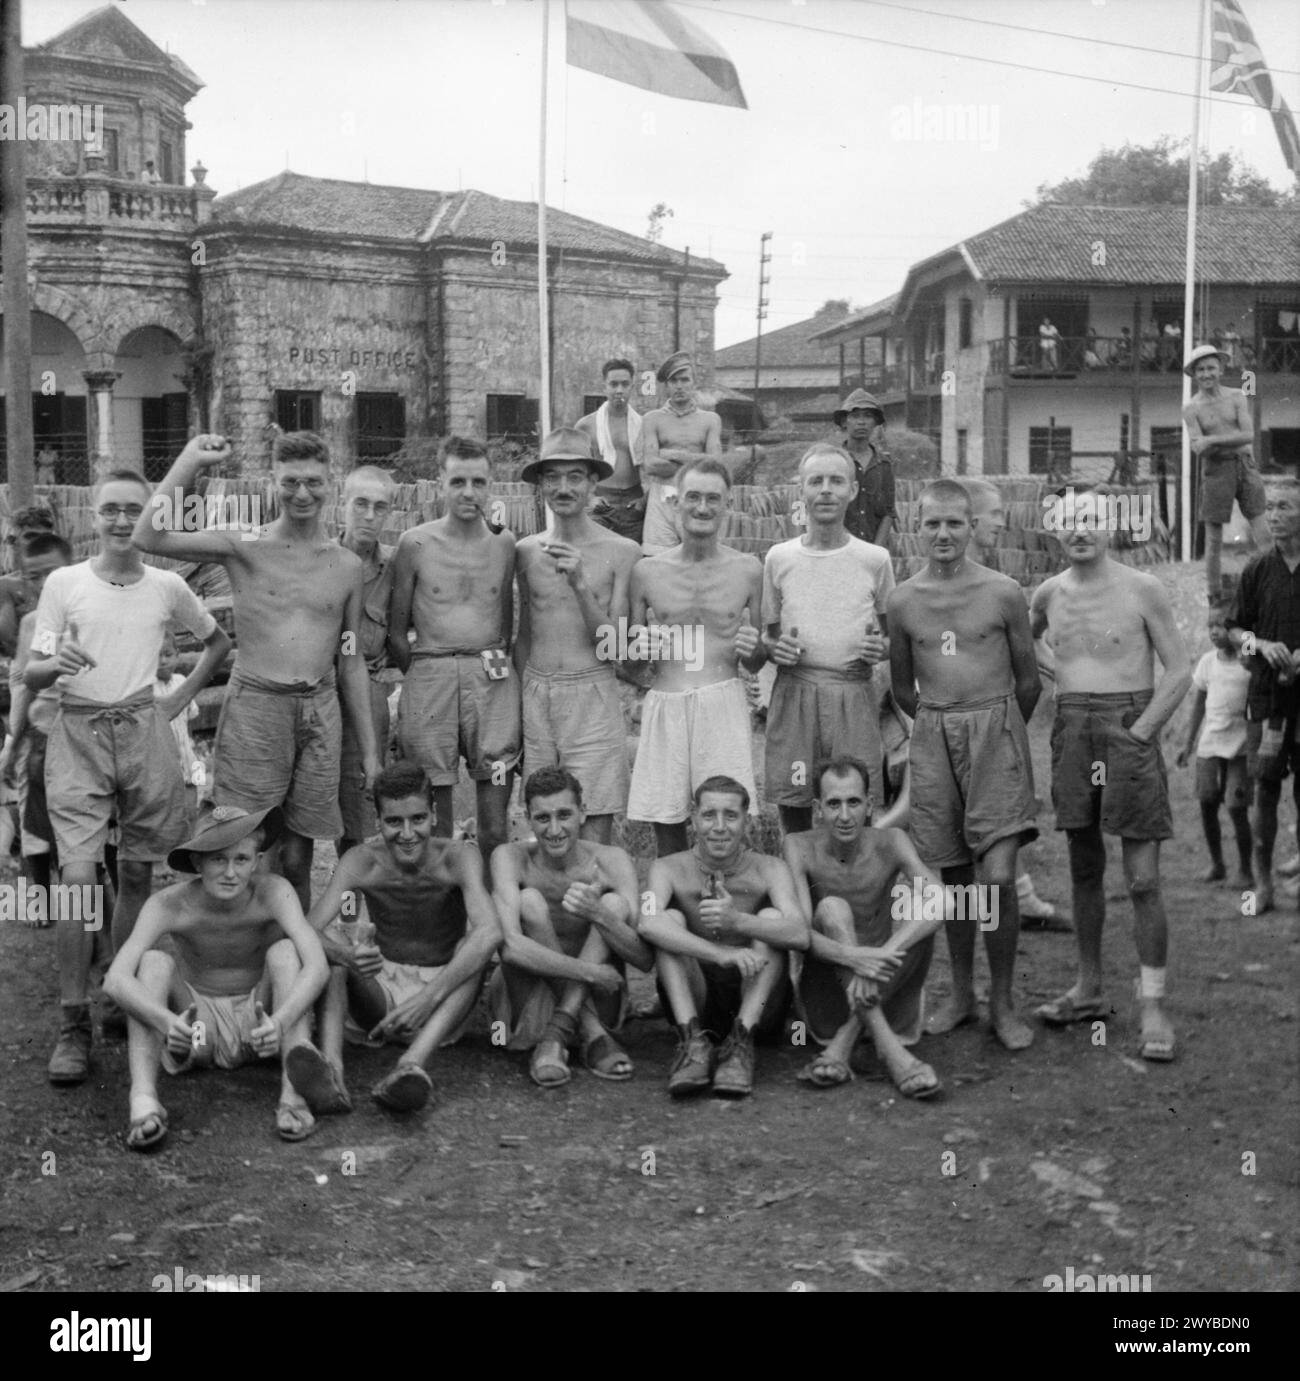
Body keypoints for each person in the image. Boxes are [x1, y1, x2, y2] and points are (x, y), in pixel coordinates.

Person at [29, 469, 232, 1084]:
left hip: (145, 732)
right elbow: (33, 672)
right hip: (79, 732)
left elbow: (219, 643)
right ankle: (72, 1023)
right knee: (78, 879)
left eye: (133, 510)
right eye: (110, 509)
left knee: (140, 871)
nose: (121, 521)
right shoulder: (64, 583)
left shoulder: (168, 586)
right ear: (92, 517)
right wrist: (51, 665)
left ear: (152, 517)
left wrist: (176, 701)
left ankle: (121, 992)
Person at [133, 432, 381, 910]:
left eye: (313, 482)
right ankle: (241, 948)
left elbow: (349, 659)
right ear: (274, 481)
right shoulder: (246, 544)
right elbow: (150, 535)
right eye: (291, 482)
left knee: (297, 853)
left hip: (319, 712)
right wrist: (190, 461)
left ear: (329, 483)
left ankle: (293, 947)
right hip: (257, 707)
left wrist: (370, 753)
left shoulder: (347, 566)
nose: (302, 494)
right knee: (242, 838)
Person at [1030, 486, 1191, 1060]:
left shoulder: (1142, 588)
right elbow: (1025, 644)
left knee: (1143, 878)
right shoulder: (1047, 593)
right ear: (1055, 529)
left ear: (1112, 526)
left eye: (1092, 519)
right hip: (1074, 729)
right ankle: (1089, 986)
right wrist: (1057, 675)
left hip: (1129, 725)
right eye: (1069, 520)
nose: (1080, 530)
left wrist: (1142, 730)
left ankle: (1152, 1003)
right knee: (1083, 866)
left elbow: (1179, 669)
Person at [888, 479, 1041, 1050]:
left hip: (997, 731)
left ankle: (1003, 1000)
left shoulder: (1003, 592)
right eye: (933, 524)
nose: (944, 534)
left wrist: (996, 730)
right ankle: (961, 993)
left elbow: (1028, 681)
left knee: (997, 876)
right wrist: (940, 727)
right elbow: (904, 689)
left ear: (972, 526)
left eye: (955, 523)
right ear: (917, 528)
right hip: (933, 734)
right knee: (952, 876)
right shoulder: (903, 600)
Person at [103, 804, 332, 1150]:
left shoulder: (275, 891)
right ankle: (144, 1099)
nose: (230, 872)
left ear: (256, 861)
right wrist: (167, 1021)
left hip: (261, 1022)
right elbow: (115, 979)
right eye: (217, 860)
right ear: (197, 863)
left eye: (241, 860)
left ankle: (293, 1094)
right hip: (198, 1028)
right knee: (152, 963)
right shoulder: (169, 904)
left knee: (285, 954)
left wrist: (280, 1022)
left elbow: (318, 965)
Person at [307, 762, 502, 1113]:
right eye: (394, 822)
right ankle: (332, 1069)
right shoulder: (361, 860)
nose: (407, 833)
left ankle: (410, 1064)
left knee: (474, 944)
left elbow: (490, 931)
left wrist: (428, 997)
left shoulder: (459, 857)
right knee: (336, 946)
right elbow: (307, 927)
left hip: (442, 999)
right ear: (378, 821)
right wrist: (348, 956)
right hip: (379, 994)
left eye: (418, 819)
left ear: (435, 815)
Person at [627, 457, 766, 855]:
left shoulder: (748, 570)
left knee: (726, 819)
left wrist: (754, 648)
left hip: (723, 699)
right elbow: (631, 664)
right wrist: (640, 647)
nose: (702, 508)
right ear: (675, 503)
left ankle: (725, 908)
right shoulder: (647, 571)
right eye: (693, 497)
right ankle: (674, 909)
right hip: (666, 701)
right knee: (667, 820)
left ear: (727, 504)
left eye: (712, 499)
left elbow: (757, 660)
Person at [387, 438, 516, 861]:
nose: (468, 492)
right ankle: (443, 916)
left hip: (491, 678)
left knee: (496, 823)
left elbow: (506, 622)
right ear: (440, 482)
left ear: (490, 484)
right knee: (433, 821)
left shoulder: (503, 544)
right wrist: (427, 671)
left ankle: (495, 910)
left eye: (478, 482)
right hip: (431, 675)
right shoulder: (415, 543)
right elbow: (395, 630)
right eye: (457, 480)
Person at [639, 776, 808, 1098]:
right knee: (669, 919)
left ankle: (740, 1043)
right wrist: (719, 953)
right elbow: (647, 923)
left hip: (757, 998)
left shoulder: (771, 868)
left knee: (771, 919)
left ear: (747, 819)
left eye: (730, 816)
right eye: (708, 815)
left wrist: (739, 921)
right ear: (693, 818)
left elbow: (800, 933)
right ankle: (692, 1043)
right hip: (698, 999)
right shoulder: (665, 868)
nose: (719, 827)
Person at [782, 758, 942, 1097]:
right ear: (817, 808)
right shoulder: (798, 846)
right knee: (831, 909)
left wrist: (879, 956)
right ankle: (893, 1054)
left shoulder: (892, 841)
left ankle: (846, 1041)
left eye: (854, 802)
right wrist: (855, 957)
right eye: (834, 804)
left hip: (888, 985)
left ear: (869, 804)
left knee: (923, 906)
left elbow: (944, 903)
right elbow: (799, 934)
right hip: (829, 999)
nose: (844, 815)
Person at [515, 427, 640, 843]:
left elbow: (618, 648)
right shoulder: (526, 551)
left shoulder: (622, 551)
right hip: (537, 693)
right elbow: (524, 637)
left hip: (592, 693)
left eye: (574, 477)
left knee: (593, 830)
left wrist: (581, 585)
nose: (563, 487)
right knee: (543, 831)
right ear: (540, 484)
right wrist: (519, 705)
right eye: (552, 477)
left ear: (592, 482)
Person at [489, 766, 651, 1086]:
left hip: (597, 997)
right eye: (542, 818)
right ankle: (587, 1033)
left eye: (564, 815)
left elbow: (644, 959)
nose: (554, 829)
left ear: (583, 813)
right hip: (534, 1003)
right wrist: (589, 972)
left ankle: (557, 1034)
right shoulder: (510, 857)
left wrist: (599, 915)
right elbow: (510, 948)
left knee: (613, 906)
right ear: (526, 818)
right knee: (530, 902)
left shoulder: (612, 859)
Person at [763, 443, 893, 835]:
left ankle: (856, 890)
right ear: (800, 491)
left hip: (852, 695)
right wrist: (775, 649)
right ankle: (800, 890)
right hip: (796, 694)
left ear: (852, 491)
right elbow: (769, 639)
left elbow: (891, 637)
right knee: (796, 799)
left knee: (853, 804)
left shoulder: (874, 559)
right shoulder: (779, 558)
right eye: (815, 481)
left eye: (836, 481)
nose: (825, 490)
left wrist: (880, 649)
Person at [963, 478, 1067, 928]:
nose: (1003, 521)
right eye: (994, 512)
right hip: (958, 717)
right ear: (970, 519)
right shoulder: (948, 582)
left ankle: (1017, 900)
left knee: (1002, 813)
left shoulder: (999, 583)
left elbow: (1024, 644)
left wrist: (1068, 672)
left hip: (997, 717)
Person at [1224, 475, 1300, 912]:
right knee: (1265, 790)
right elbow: (1235, 632)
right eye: (1270, 507)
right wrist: (1262, 646)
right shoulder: (1257, 568)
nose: (1273, 515)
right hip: (1267, 700)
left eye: (1285, 507)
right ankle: (1263, 883)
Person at [0, 532, 72, 913]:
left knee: (83, 838)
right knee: (36, 823)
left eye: (52, 573)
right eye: (34, 576)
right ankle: (40, 901)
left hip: (83, 737)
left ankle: (98, 921)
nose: (45, 583)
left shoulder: (85, 611)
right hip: (40, 737)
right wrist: (13, 743)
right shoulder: (31, 623)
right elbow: (24, 686)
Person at [336, 466, 398, 855]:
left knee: (357, 824)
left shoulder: (395, 567)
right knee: (293, 827)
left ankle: (350, 915)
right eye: (360, 504)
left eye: (380, 507)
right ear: (341, 506)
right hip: (318, 693)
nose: (370, 516)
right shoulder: (318, 560)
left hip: (368, 698)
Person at [1181, 344, 1271, 605]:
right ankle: (1214, 594)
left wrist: (1213, 441)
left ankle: (1274, 583)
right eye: (1201, 370)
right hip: (1216, 470)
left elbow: (1248, 435)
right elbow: (1198, 447)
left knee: (1261, 527)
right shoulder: (1192, 408)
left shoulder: (1236, 396)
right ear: (1194, 375)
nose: (1207, 374)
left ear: (1220, 369)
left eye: (1211, 368)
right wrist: (1216, 443)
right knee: (1213, 537)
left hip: (1245, 464)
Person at [1176, 612, 1253, 889]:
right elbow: (1198, 705)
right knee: (1207, 803)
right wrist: (1188, 744)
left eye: (1220, 626)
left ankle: (1246, 870)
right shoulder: (1208, 663)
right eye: (1210, 626)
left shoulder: (1248, 663)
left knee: (1236, 807)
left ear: (1234, 630)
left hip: (1241, 746)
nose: (1214, 632)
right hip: (1210, 745)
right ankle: (1217, 864)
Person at [640, 352, 722, 555]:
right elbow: (650, 465)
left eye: (685, 379)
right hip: (661, 499)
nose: (679, 386)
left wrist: (670, 453)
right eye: (673, 380)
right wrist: (699, 459)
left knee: (700, 558)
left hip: (698, 498)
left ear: (694, 383)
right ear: (666, 386)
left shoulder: (710, 419)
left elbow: (716, 464)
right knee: (658, 561)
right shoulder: (652, 419)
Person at [577, 359, 647, 543]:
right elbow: (577, 470)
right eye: (613, 384)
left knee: (632, 562)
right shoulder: (586, 425)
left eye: (625, 384)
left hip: (634, 503)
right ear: (604, 387)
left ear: (632, 387)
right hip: (601, 502)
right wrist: (590, 498)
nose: (619, 390)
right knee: (595, 560)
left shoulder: (643, 424)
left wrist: (643, 500)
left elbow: (652, 469)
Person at [832, 389, 896, 547]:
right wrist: (854, 548)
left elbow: (888, 513)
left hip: (874, 549)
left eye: (867, 416)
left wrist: (876, 550)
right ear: (844, 422)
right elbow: (828, 510)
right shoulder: (834, 462)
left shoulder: (885, 465)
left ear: (875, 422)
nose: (861, 422)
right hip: (839, 547)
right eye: (854, 416)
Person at [154, 633, 202, 817]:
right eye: (156, 655)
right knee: (169, 813)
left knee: (192, 808)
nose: (162, 660)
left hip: (187, 755)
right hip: (163, 763)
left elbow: (190, 720)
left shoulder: (182, 681)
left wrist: (192, 751)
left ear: (177, 654)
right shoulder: (147, 688)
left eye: (167, 654)